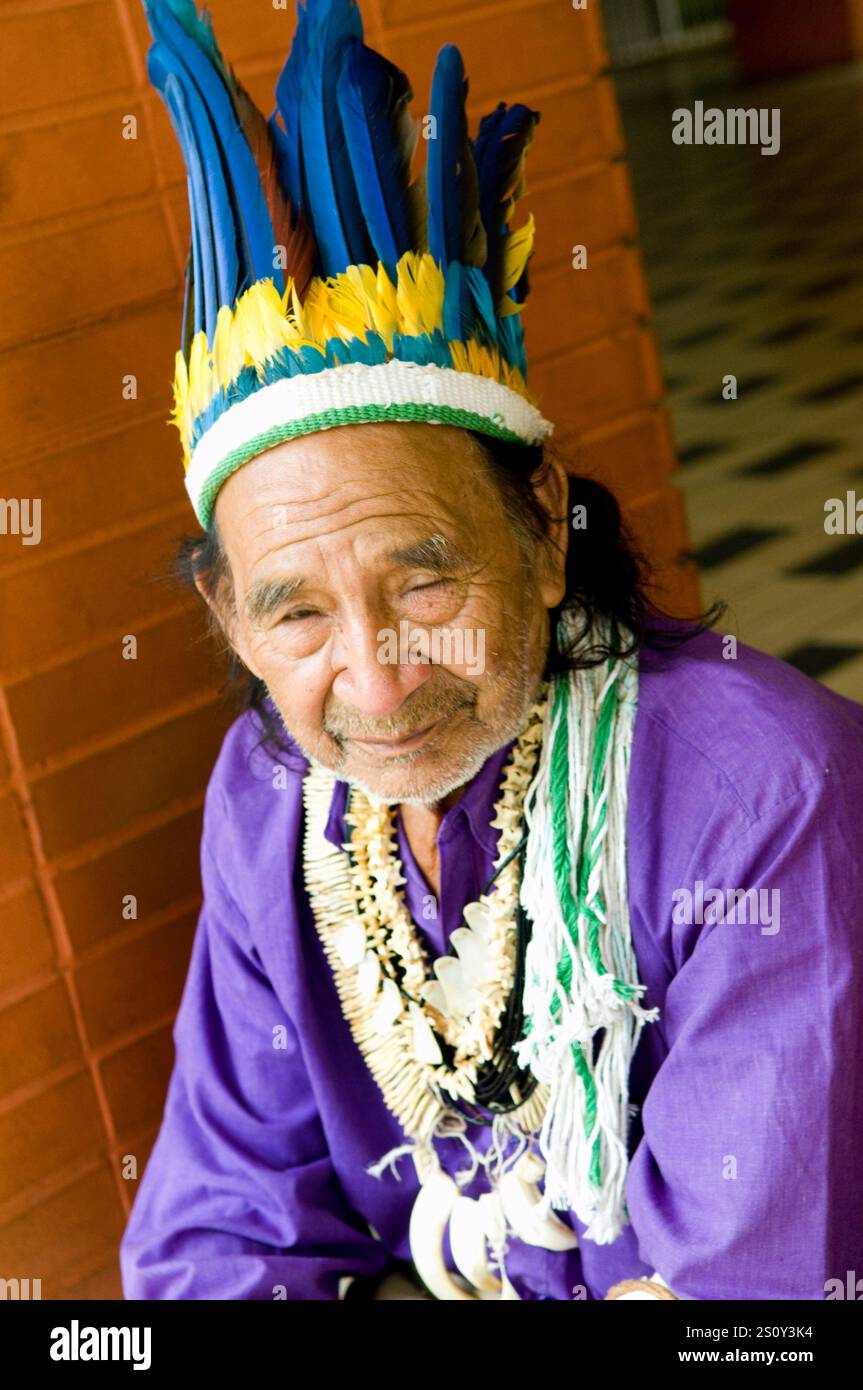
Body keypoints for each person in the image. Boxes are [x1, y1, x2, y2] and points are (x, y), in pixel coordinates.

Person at [120, 0, 863, 1300]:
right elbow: (216, 1243)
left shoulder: (757, 797)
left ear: (543, 534)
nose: (379, 676)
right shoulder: (271, 810)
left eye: (428, 578)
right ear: (230, 618)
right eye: (296, 612)